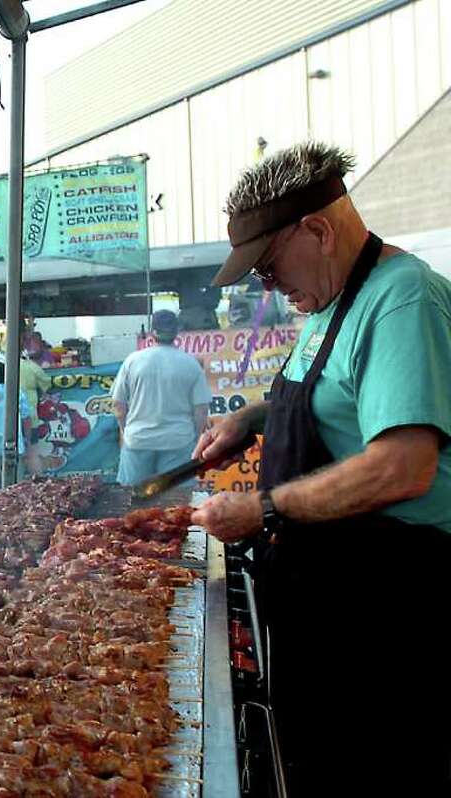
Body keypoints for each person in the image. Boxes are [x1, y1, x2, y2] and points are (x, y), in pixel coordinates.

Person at [192, 142, 451, 793]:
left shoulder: (402, 299)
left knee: (373, 769)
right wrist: (247, 422)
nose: (270, 288)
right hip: (324, 586)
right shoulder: (330, 301)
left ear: (317, 230)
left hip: (389, 604)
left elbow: (402, 467)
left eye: (270, 269)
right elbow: (329, 391)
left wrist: (263, 509)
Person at [110, 310, 211, 486]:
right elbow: (201, 411)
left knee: (133, 501)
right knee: (178, 502)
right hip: (179, 442)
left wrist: (127, 433)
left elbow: (119, 407)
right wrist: (194, 438)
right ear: (176, 331)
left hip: (138, 440)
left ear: (151, 331)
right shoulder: (190, 364)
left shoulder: (133, 361)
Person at [0, 361, 34, 496]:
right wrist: (27, 441)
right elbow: (26, 418)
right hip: (15, 444)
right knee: (16, 488)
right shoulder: (17, 392)